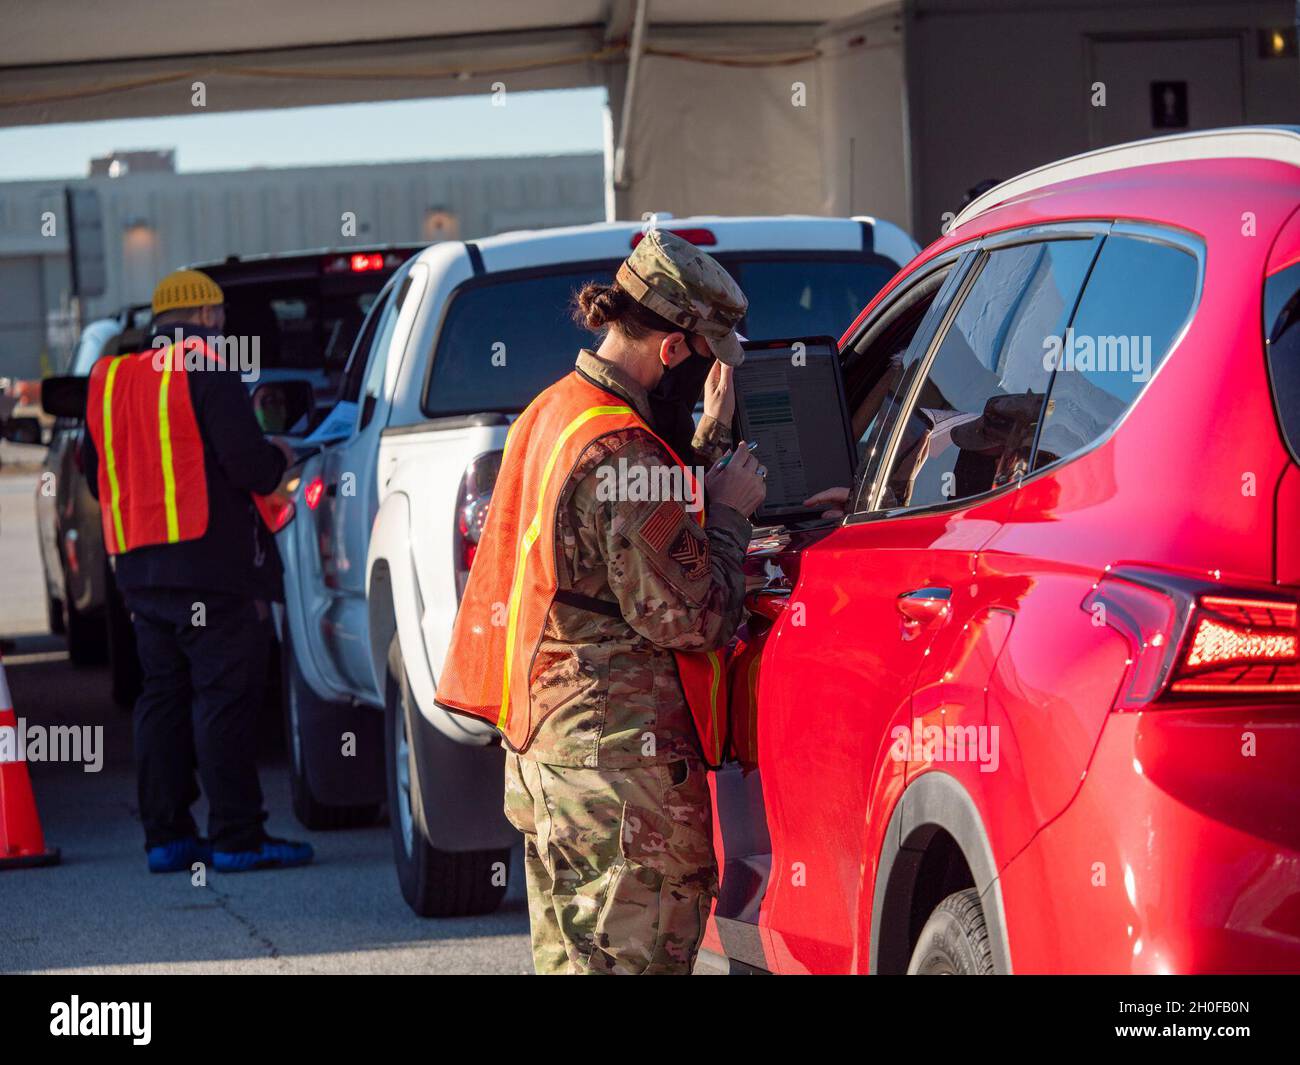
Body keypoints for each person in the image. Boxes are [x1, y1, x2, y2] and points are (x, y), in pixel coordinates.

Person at [436, 229, 766, 974]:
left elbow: (610, 556)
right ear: (676, 350)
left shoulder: (557, 410)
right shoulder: (623, 451)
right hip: (621, 776)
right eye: (709, 353)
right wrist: (735, 514)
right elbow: (691, 615)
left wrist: (705, 449)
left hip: (555, 758)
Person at [82, 269, 314, 874]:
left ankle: (167, 838)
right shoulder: (206, 366)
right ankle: (238, 836)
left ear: (156, 322)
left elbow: (92, 472)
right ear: (210, 317)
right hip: (211, 569)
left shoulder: (109, 379)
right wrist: (280, 457)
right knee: (222, 699)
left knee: (160, 698)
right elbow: (249, 467)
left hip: (138, 570)